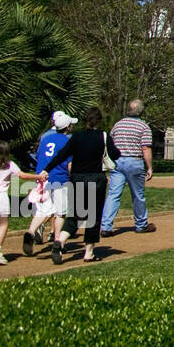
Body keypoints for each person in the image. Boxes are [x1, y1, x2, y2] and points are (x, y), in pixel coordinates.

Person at [41, 107, 119, 263]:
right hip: (95, 178)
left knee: (75, 215)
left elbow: (61, 156)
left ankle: (60, 241)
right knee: (93, 217)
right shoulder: (103, 136)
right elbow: (115, 154)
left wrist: (46, 169)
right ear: (99, 120)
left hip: (77, 179)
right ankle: (88, 253)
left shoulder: (76, 137)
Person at [23, 111, 77, 263]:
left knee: (42, 210)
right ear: (67, 127)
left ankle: (31, 231)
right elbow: (69, 163)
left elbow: (39, 157)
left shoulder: (46, 138)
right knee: (60, 213)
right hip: (58, 178)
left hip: (42, 177)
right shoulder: (67, 141)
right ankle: (57, 242)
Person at [100, 99, 157, 236]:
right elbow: (145, 148)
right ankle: (141, 224)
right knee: (138, 195)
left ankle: (106, 226)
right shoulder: (143, 127)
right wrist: (149, 167)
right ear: (141, 111)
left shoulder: (118, 125)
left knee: (113, 194)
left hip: (118, 162)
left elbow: (111, 143)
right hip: (134, 161)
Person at [0, 141, 43, 265]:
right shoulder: (10, 165)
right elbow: (22, 175)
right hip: (0, 197)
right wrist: (38, 177)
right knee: (3, 224)